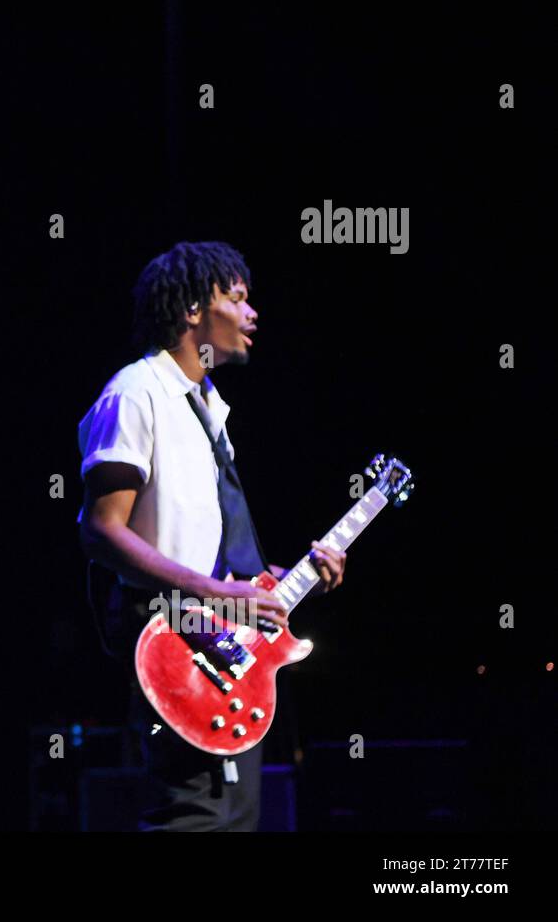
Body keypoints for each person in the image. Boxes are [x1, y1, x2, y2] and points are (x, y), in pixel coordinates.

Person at [76, 241, 344, 831]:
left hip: (225, 647)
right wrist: (218, 596)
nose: (252, 314)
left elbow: (218, 561)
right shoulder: (137, 394)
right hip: (172, 636)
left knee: (229, 821)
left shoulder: (210, 412)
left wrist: (288, 584)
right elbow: (100, 531)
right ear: (194, 308)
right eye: (238, 298)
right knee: (191, 818)